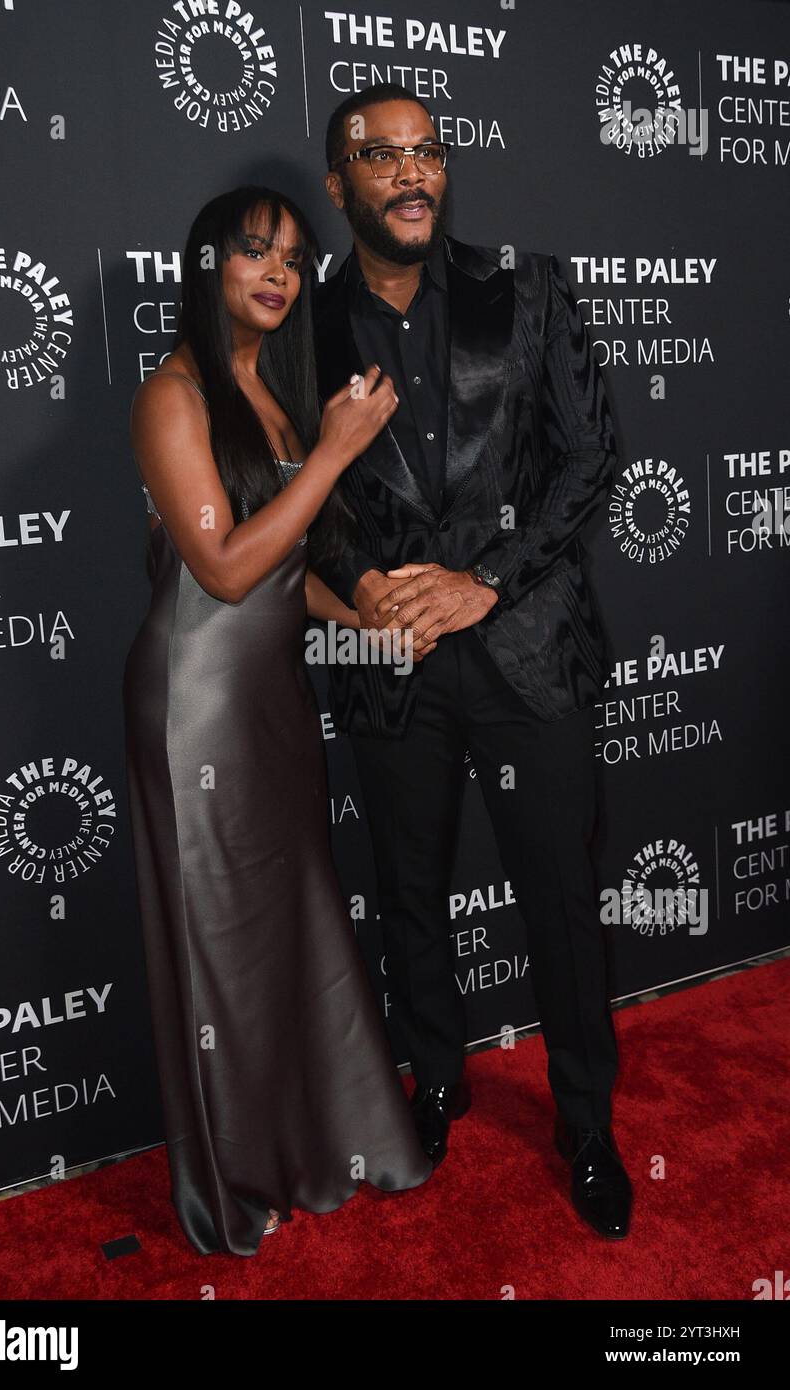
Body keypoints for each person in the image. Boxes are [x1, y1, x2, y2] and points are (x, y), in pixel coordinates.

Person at [311, 84, 633, 1239]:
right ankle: (434, 1085)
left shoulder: (529, 287)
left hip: (525, 644)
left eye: (427, 152)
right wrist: (361, 590)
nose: (410, 172)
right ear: (338, 180)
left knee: (558, 897)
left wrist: (485, 581)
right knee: (406, 894)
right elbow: (303, 499)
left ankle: (587, 1126)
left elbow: (588, 456)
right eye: (380, 155)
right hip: (391, 653)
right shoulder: (303, 323)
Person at [122, 185, 433, 1258]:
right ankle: (237, 1172)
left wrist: (364, 614)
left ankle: (326, 1143)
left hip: (271, 698)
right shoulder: (174, 394)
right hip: (194, 705)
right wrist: (337, 453)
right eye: (254, 251)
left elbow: (283, 572)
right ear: (206, 264)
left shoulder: (275, 395)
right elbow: (220, 565)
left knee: (294, 918)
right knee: (220, 946)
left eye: (294, 259)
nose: (278, 273)